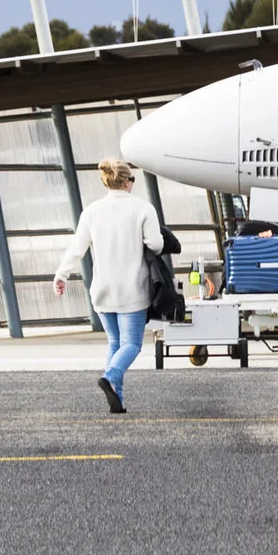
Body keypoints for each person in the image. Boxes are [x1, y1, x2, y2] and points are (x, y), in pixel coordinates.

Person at [54, 157, 172, 413]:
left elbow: (77, 248)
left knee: (115, 343)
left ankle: (117, 400)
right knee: (132, 344)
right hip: (132, 290)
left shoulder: (92, 211)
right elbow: (155, 244)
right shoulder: (143, 208)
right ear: (128, 181)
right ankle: (110, 377)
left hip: (102, 290)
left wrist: (61, 275)